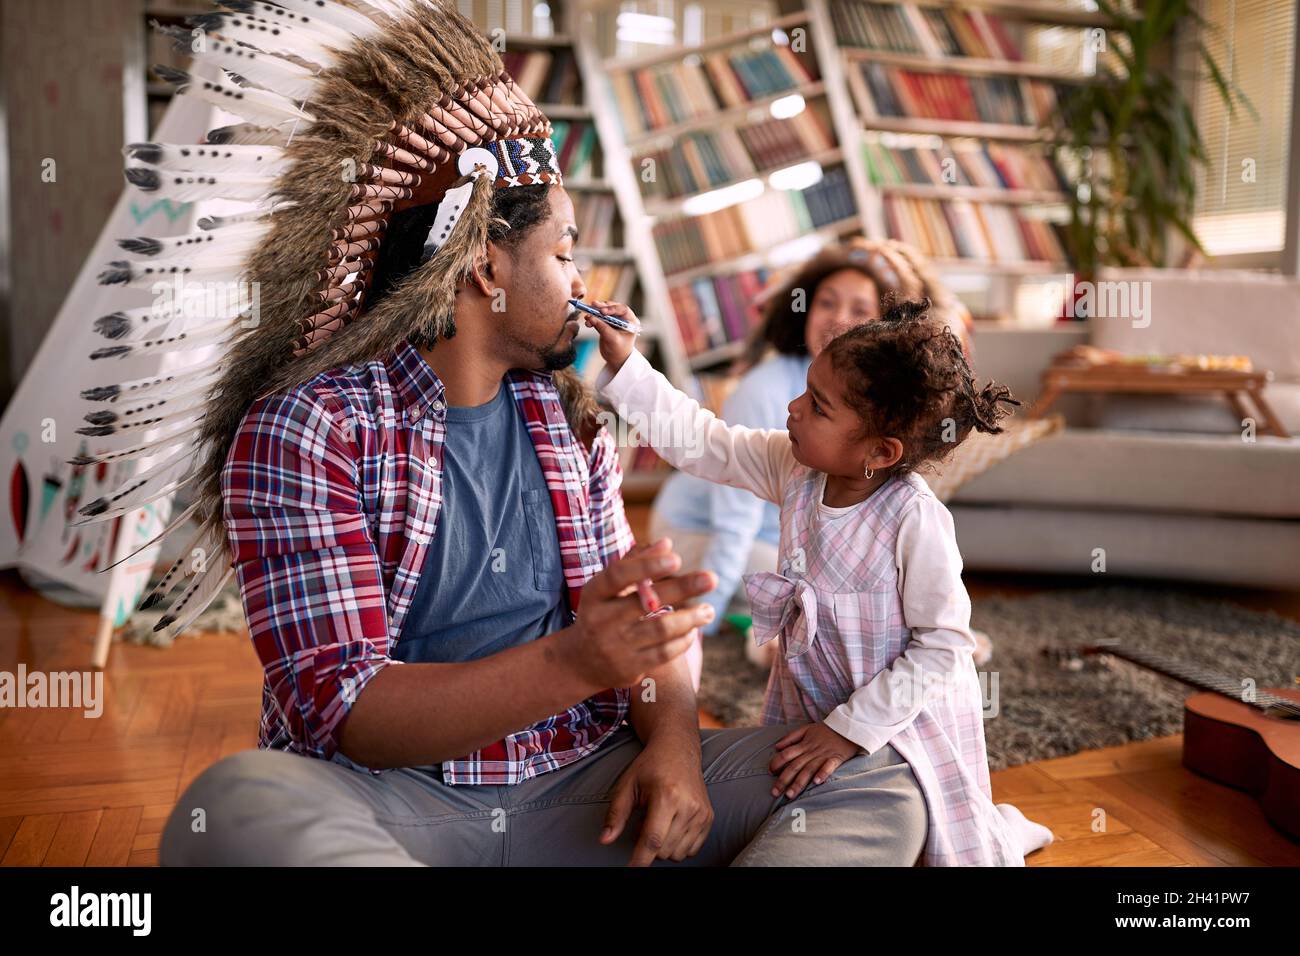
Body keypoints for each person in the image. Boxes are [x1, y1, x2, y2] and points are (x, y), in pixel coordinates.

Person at [585, 296, 1054, 865]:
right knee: (798, 793)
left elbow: (945, 646)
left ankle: (1009, 829)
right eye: (807, 390)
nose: (793, 407)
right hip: (813, 697)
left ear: (880, 452)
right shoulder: (795, 467)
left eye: (819, 406)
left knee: (951, 843)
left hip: (895, 719)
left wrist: (851, 731)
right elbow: (703, 442)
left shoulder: (914, 519)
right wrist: (628, 363)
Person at [650, 238, 992, 681]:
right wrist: (702, 622)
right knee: (819, 579)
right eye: (826, 302)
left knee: (847, 579)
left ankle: (921, 644)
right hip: (701, 530)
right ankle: (773, 636)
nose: (838, 318)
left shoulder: (906, 487)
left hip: (782, 533)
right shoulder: (766, 390)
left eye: (858, 308)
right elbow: (729, 513)